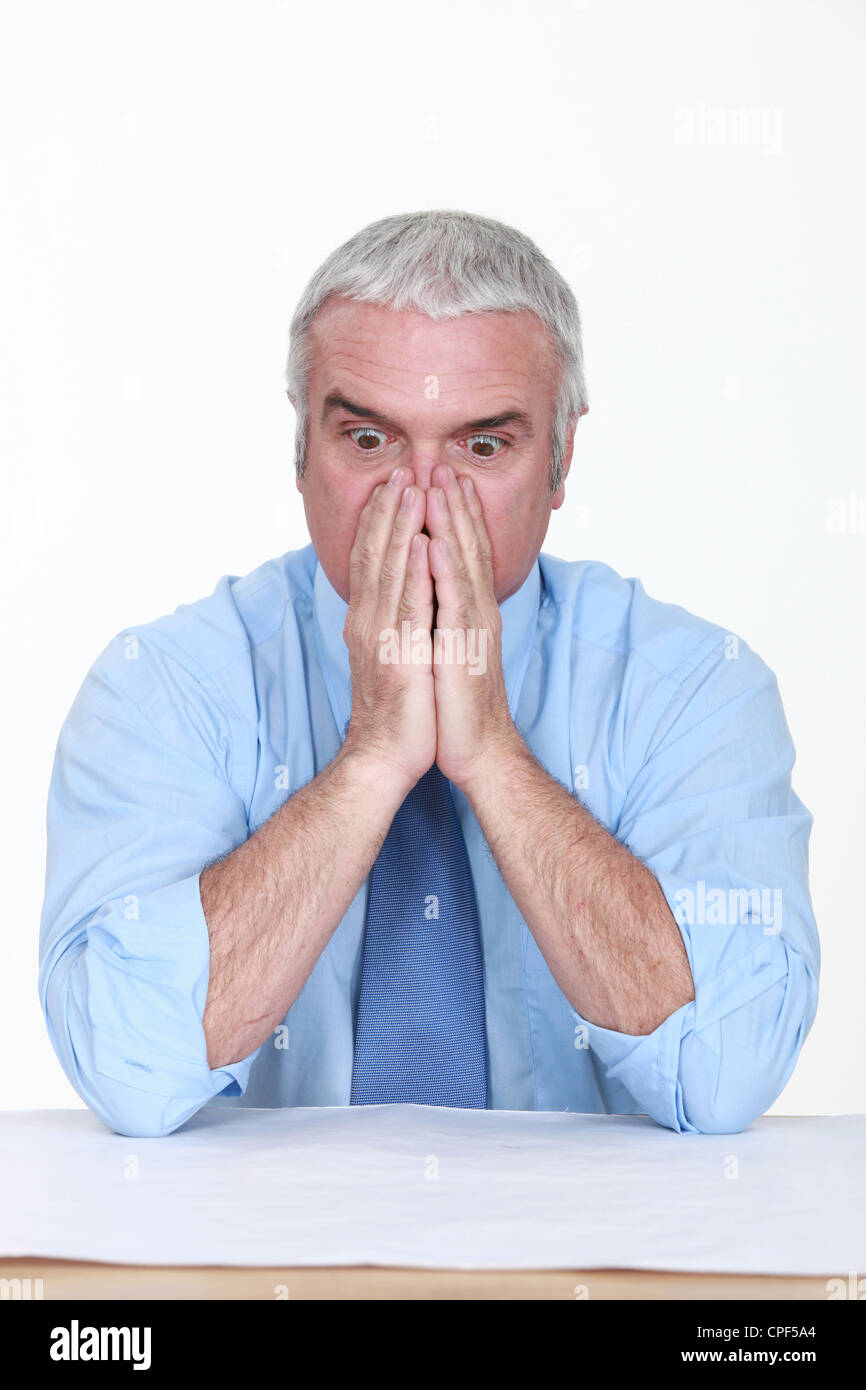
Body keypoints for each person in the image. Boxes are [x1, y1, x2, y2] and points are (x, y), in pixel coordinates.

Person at [38, 210, 819, 1138]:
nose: (419, 501)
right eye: (369, 441)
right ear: (302, 453)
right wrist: (373, 761)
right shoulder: (162, 689)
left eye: (482, 447)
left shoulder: (695, 691)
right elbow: (128, 1066)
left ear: (563, 457)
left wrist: (490, 755)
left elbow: (725, 1072)